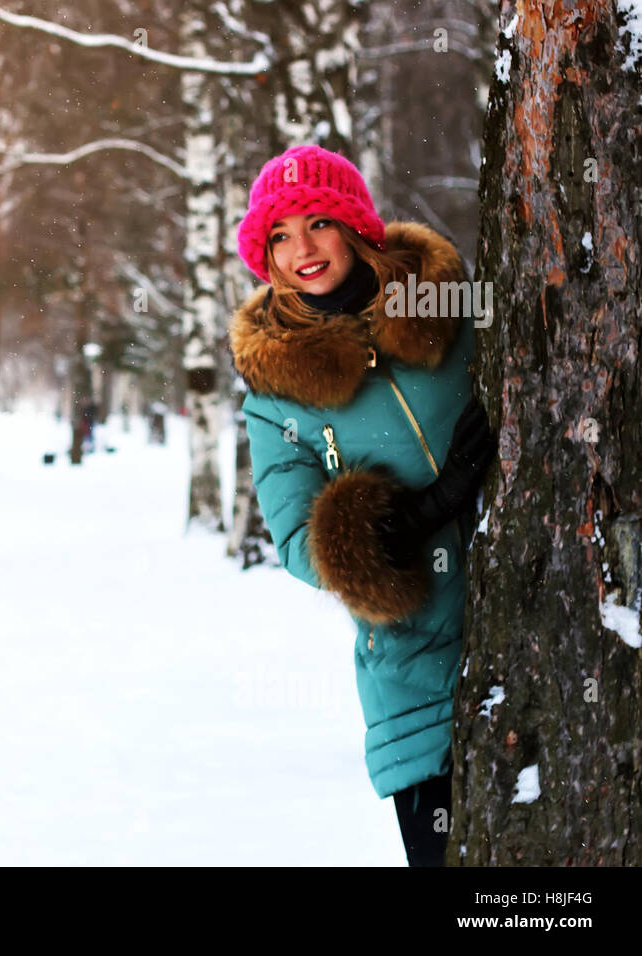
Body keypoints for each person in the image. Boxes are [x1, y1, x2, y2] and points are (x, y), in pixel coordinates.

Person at [227, 144, 496, 867]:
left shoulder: (443, 308)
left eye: (316, 222)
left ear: (354, 225)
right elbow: (301, 548)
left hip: (532, 618)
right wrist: (427, 508)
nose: (301, 249)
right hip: (416, 675)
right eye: (278, 236)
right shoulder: (274, 394)